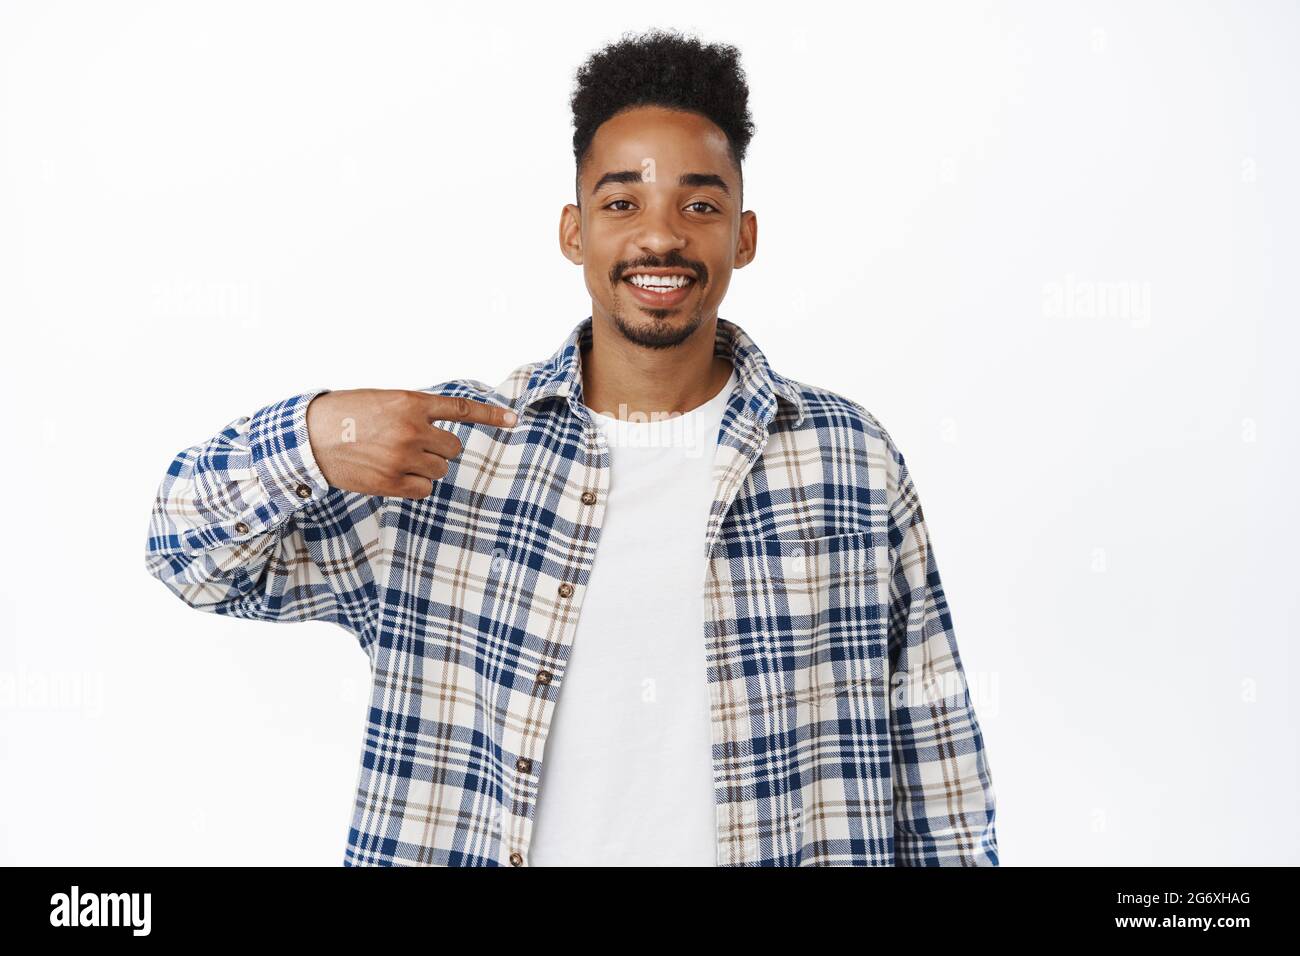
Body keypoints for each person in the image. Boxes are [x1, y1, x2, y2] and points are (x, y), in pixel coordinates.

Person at [144, 28, 998, 867]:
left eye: (698, 205)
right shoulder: (452, 451)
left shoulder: (847, 459)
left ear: (743, 235)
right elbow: (184, 552)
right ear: (572, 230)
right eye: (621, 202)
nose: (659, 238)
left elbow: (934, 751)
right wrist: (315, 434)